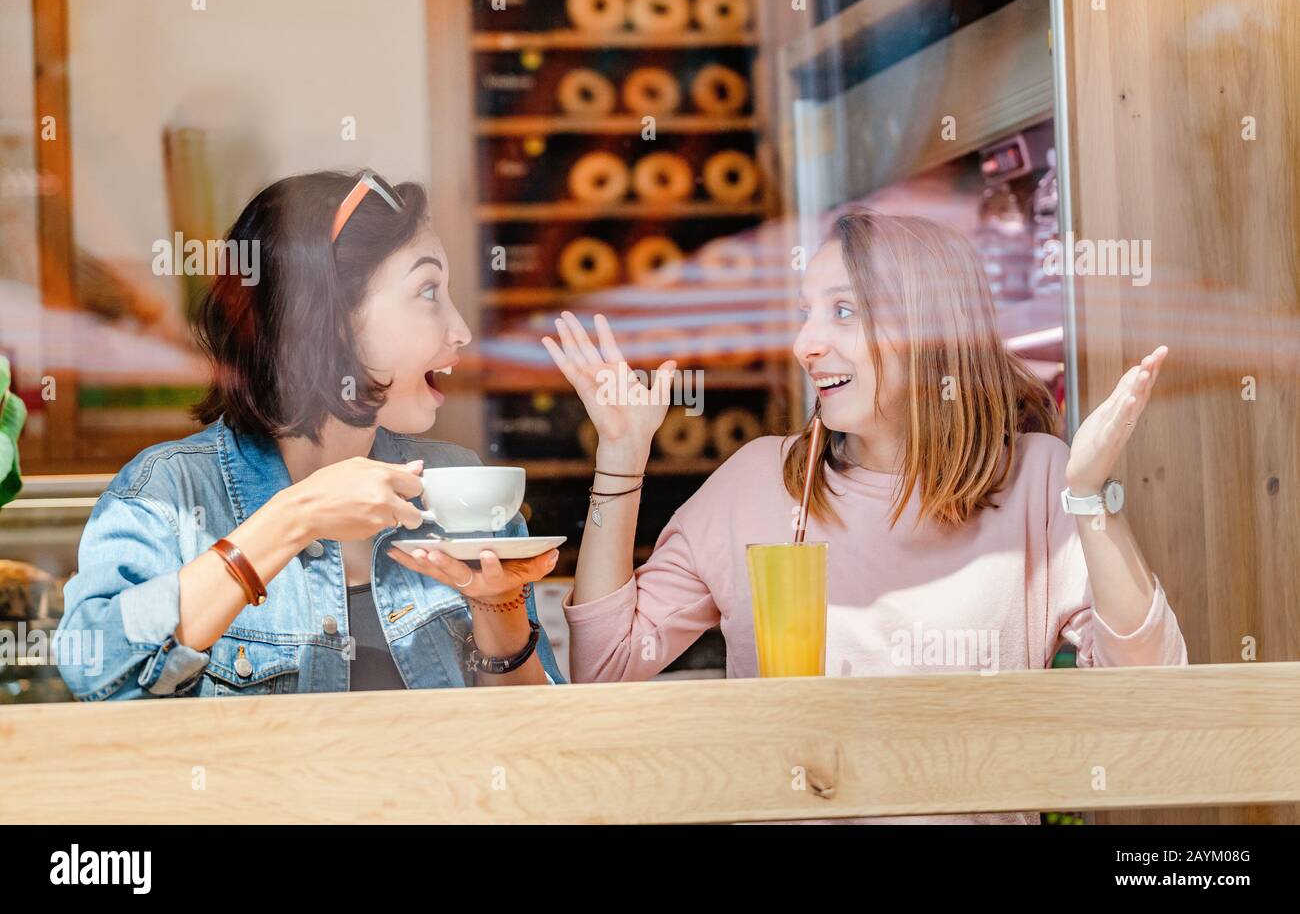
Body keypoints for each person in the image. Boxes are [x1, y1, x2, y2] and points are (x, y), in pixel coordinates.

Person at [542, 209, 1187, 824]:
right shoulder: (759, 482)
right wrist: (622, 457)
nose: (804, 344)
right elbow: (605, 666)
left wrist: (1088, 493)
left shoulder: (1040, 480)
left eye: (843, 311)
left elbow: (1152, 693)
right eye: (807, 314)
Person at [55, 170, 564, 700]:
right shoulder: (169, 493)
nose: (460, 331)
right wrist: (294, 519)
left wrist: (499, 610)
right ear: (325, 317)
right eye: (428, 291)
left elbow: (532, 736)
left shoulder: (459, 484)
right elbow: (95, 675)